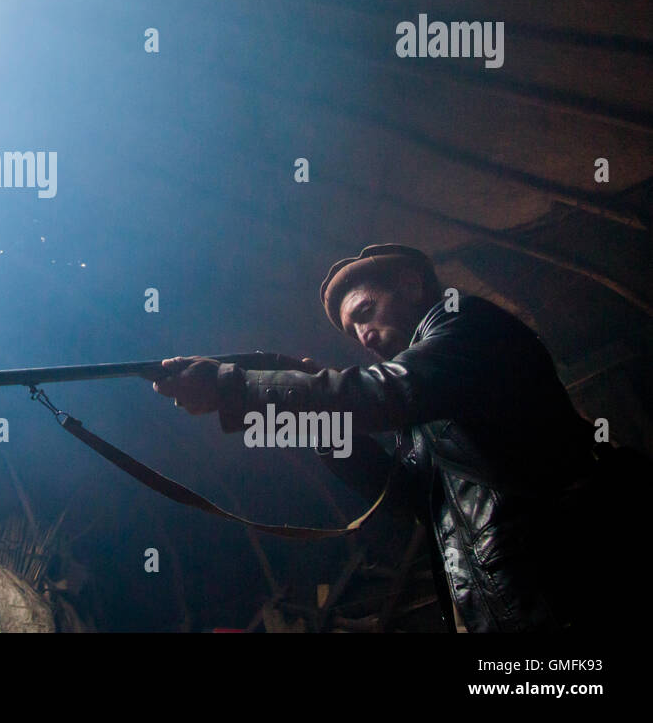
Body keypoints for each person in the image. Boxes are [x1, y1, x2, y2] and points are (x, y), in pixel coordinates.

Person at [151, 243, 647, 632]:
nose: (362, 336)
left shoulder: (466, 327)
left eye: (364, 312)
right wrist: (317, 425)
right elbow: (404, 490)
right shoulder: (427, 408)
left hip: (572, 593)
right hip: (515, 608)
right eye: (352, 330)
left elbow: (386, 390)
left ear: (412, 285)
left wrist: (234, 384)